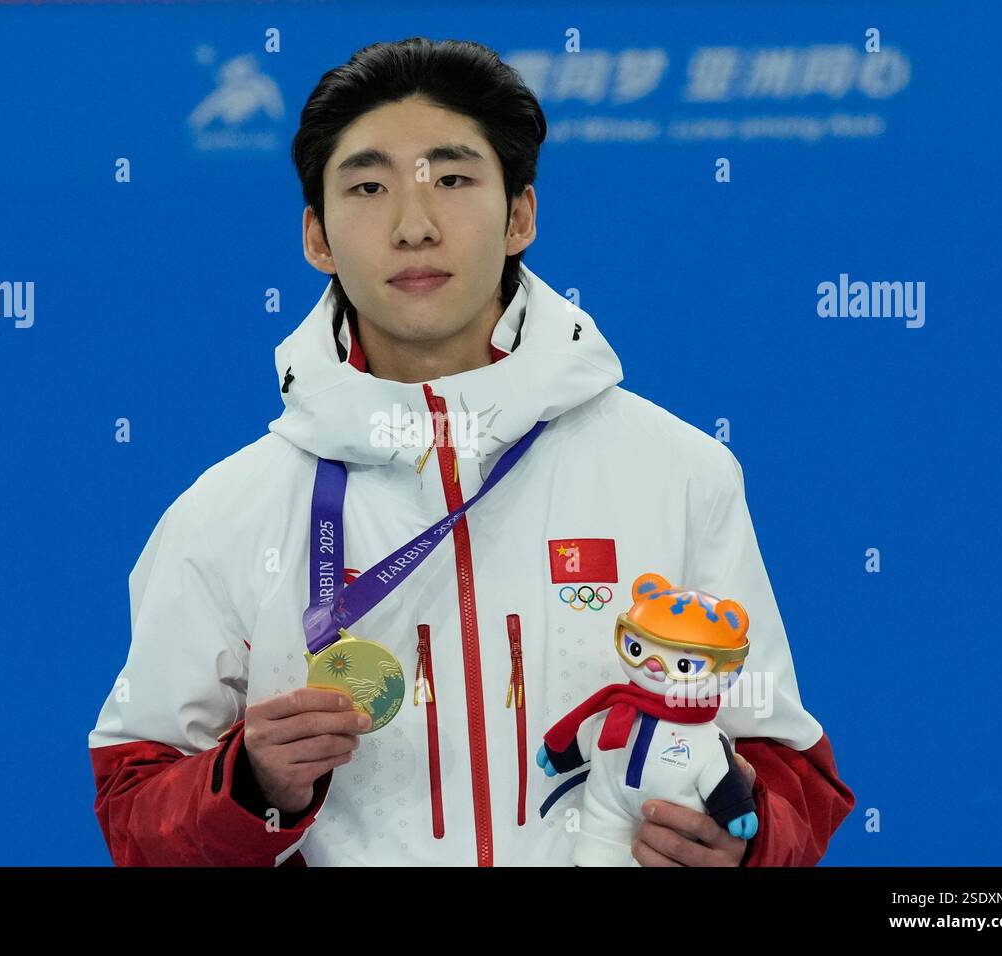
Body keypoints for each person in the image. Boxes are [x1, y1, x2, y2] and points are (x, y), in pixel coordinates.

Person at [87, 36, 855, 867]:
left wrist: (744, 841)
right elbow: (135, 809)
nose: (414, 226)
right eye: (370, 187)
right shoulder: (226, 512)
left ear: (519, 214)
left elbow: (787, 773)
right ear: (316, 236)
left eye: (452, 180)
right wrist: (247, 784)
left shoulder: (678, 472)